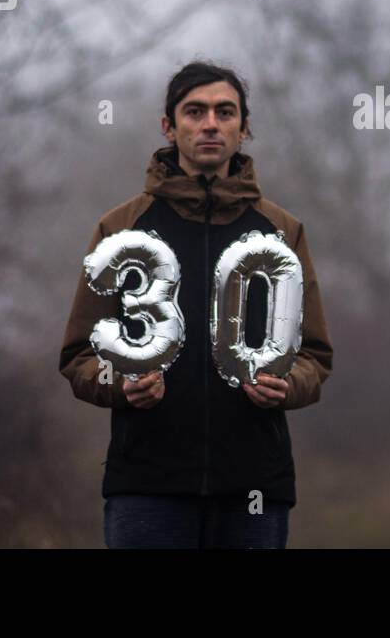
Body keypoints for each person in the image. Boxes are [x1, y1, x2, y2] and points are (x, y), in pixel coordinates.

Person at [58, 61, 333, 548]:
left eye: (225, 112)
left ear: (244, 127)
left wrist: (287, 385)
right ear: (169, 126)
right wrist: (121, 384)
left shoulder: (283, 232)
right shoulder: (120, 229)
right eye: (195, 111)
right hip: (147, 484)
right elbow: (79, 355)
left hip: (255, 489)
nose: (211, 124)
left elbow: (314, 355)